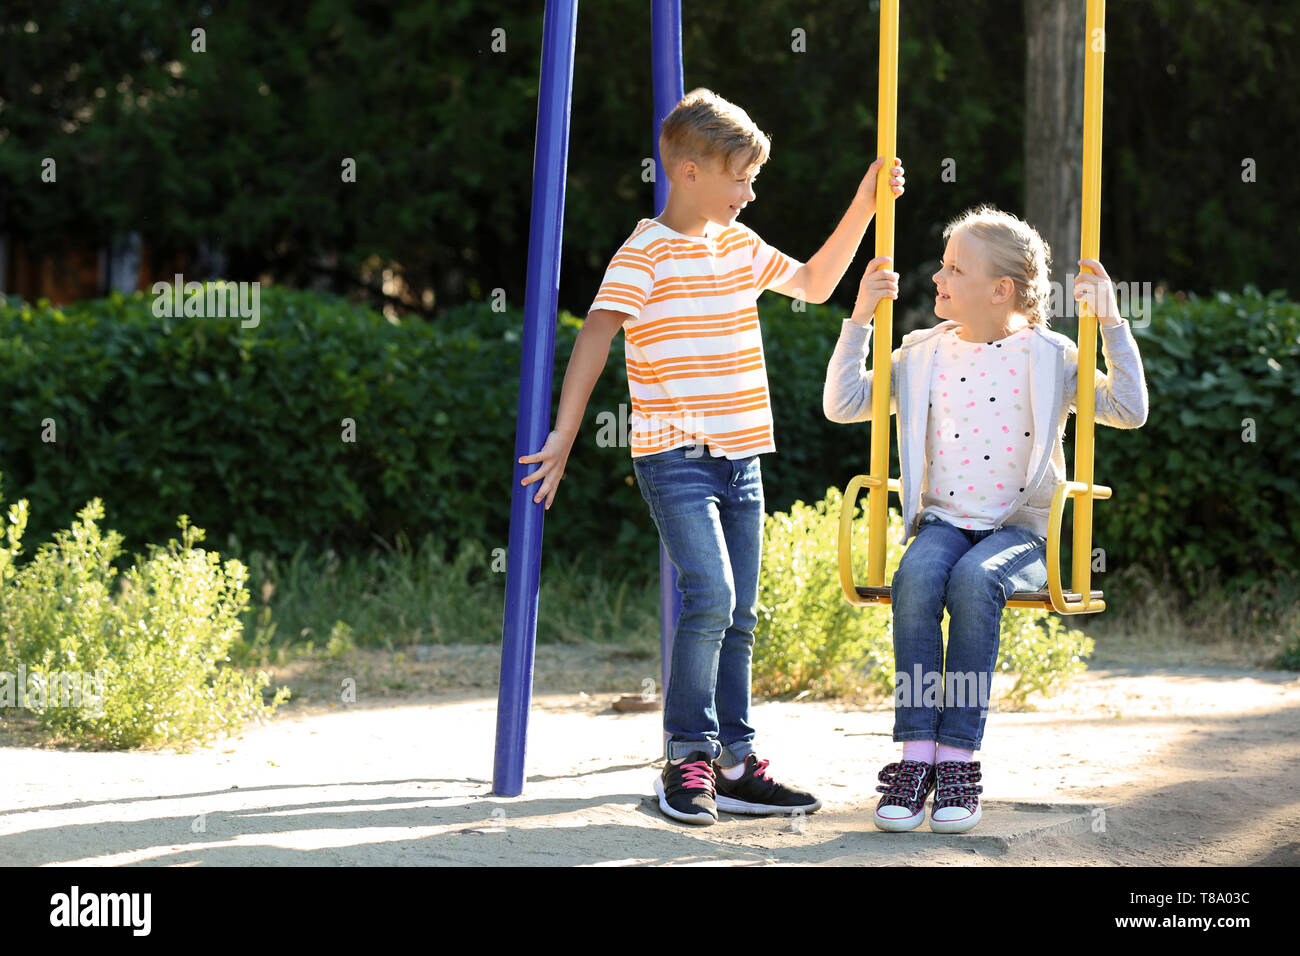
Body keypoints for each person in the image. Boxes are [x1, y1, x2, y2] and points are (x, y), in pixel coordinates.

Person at [518, 87, 904, 825]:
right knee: (712, 599)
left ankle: (733, 763)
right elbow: (597, 333)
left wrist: (863, 204)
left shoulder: (738, 245)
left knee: (743, 613)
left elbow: (816, 284)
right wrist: (566, 435)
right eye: (740, 178)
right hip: (676, 458)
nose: (750, 193)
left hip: (743, 457)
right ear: (689, 172)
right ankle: (686, 756)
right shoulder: (646, 250)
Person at [823, 204, 1149, 832]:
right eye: (943, 267)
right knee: (917, 578)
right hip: (944, 522)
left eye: (954, 268)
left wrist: (1109, 320)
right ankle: (915, 756)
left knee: (976, 581)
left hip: (1020, 530)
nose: (937, 278)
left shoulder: (1052, 355)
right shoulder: (921, 354)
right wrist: (861, 318)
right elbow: (845, 403)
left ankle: (959, 761)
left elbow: (1128, 408)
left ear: (1001, 290)